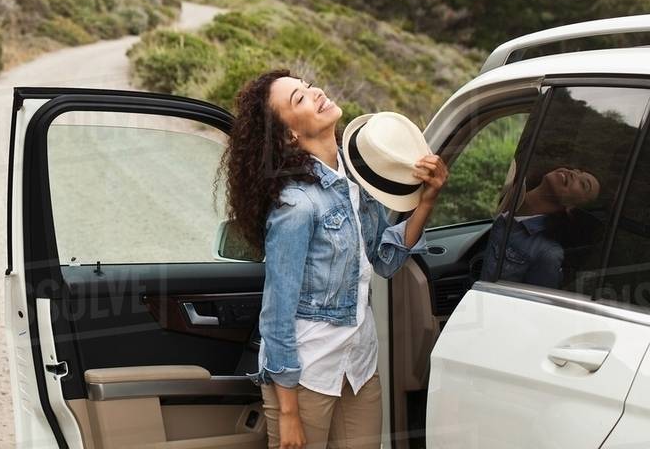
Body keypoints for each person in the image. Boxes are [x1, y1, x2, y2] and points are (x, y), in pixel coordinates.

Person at [219, 69, 447, 449]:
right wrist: (288, 413)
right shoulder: (297, 205)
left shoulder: (357, 181)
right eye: (299, 99)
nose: (316, 93)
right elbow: (276, 315)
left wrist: (426, 202)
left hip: (358, 367)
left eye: (307, 87)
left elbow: (385, 260)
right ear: (289, 135)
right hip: (306, 375)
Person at [481, 166, 601, 288]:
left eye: (583, 184)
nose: (573, 173)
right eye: (577, 170)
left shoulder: (546, 252)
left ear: (572, 208)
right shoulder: (503, 181)